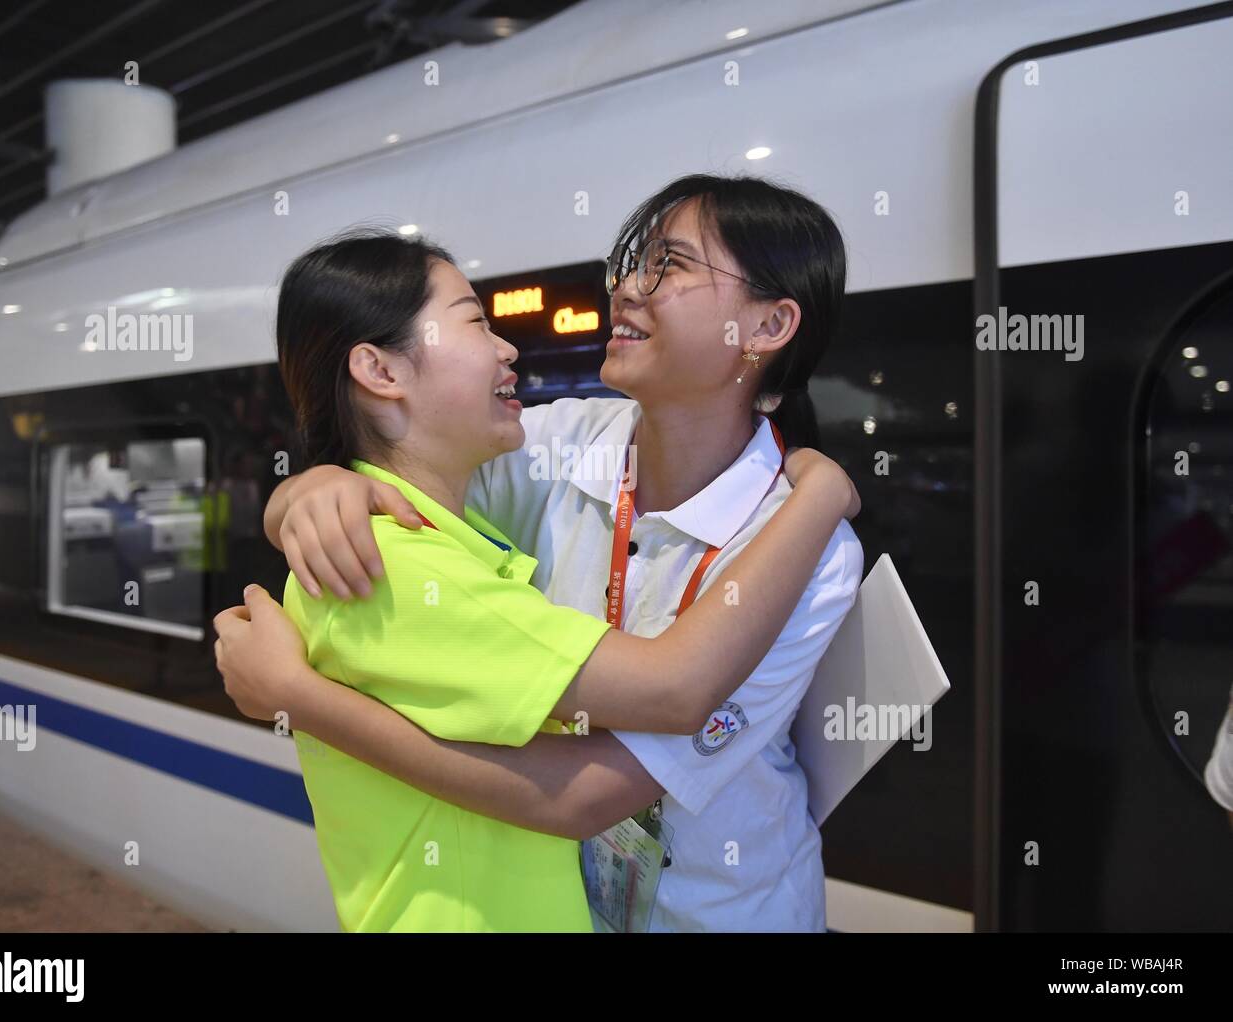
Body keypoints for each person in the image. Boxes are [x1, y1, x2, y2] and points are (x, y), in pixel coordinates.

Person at [216, 173, 864, 931]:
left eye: (671, 265)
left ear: (766, 327)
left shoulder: (805, 552)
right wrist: (309, 488)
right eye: (634, 261)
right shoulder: (561, 445)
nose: (626, 286)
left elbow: (592, 792)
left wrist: (821, 497)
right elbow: (413, 465)